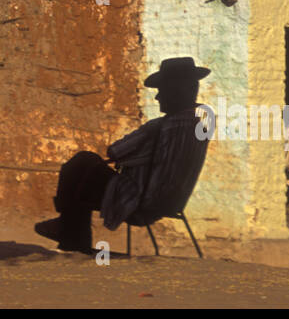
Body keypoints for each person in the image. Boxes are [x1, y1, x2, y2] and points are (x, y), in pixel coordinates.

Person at [34, 56, 212, 252]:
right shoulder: (203, 122)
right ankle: (68, 230)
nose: (157, 98)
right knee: (87, 169)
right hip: (172, 201)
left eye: (162, 91)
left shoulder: (161, 127)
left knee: (82, 163)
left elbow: (116, 151)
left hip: (140, 199)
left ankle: (70, 235)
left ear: (175, 91)